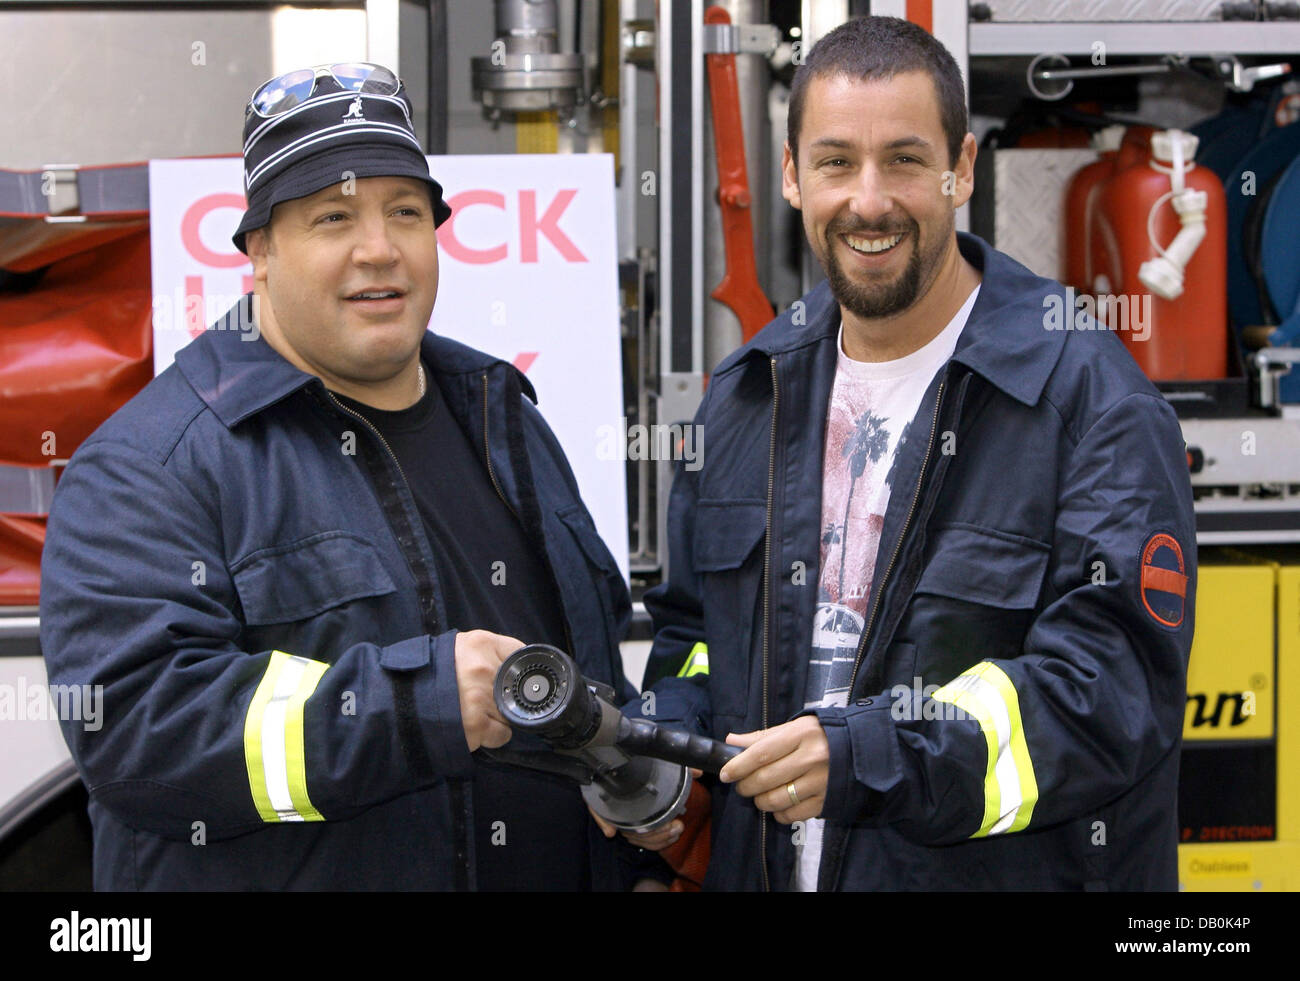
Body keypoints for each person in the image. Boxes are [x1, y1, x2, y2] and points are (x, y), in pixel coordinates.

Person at [40, 62, 652, 890]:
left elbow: (596, 672)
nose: (380, 248)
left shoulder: (505, 414)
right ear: (259, 249)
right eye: (334, 216)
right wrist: (418, 703)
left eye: (406, 211)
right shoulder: (152, 464)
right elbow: (144, 735)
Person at [637, 17, 1196, 890]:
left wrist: (868, 756)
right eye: (835, 162)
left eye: (903, 159)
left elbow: (1110, 697)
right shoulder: (748, 395)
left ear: (961, 169)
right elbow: (693, 637)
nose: (869, 200)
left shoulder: (1089, 399)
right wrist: (658, 750)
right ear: (790, 177)